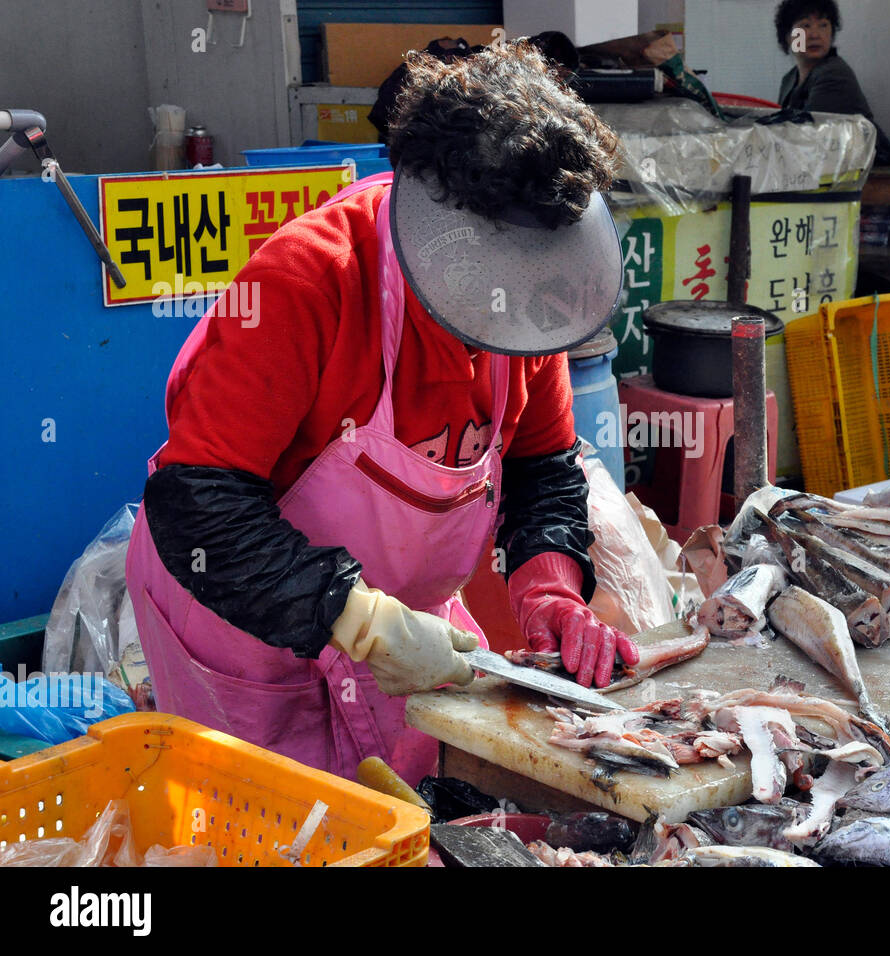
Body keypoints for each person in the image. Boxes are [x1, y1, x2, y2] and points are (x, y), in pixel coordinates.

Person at [124, 42, 641, 787]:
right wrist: (358, 620)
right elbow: (196, 504)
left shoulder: (526, 299)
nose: (514, 304)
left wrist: (552, 592)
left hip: (404, 634)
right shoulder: (305, 283)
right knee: (275, 830)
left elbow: (543, 468)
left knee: (411, 815)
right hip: (243, 631)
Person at [773, 0, 890, 155]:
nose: (815, 35)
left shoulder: (834, 74)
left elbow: (804, 137)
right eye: (805, 26)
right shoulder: (789, 79)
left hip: (872, 172)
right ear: (787, 36)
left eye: (823, 25)